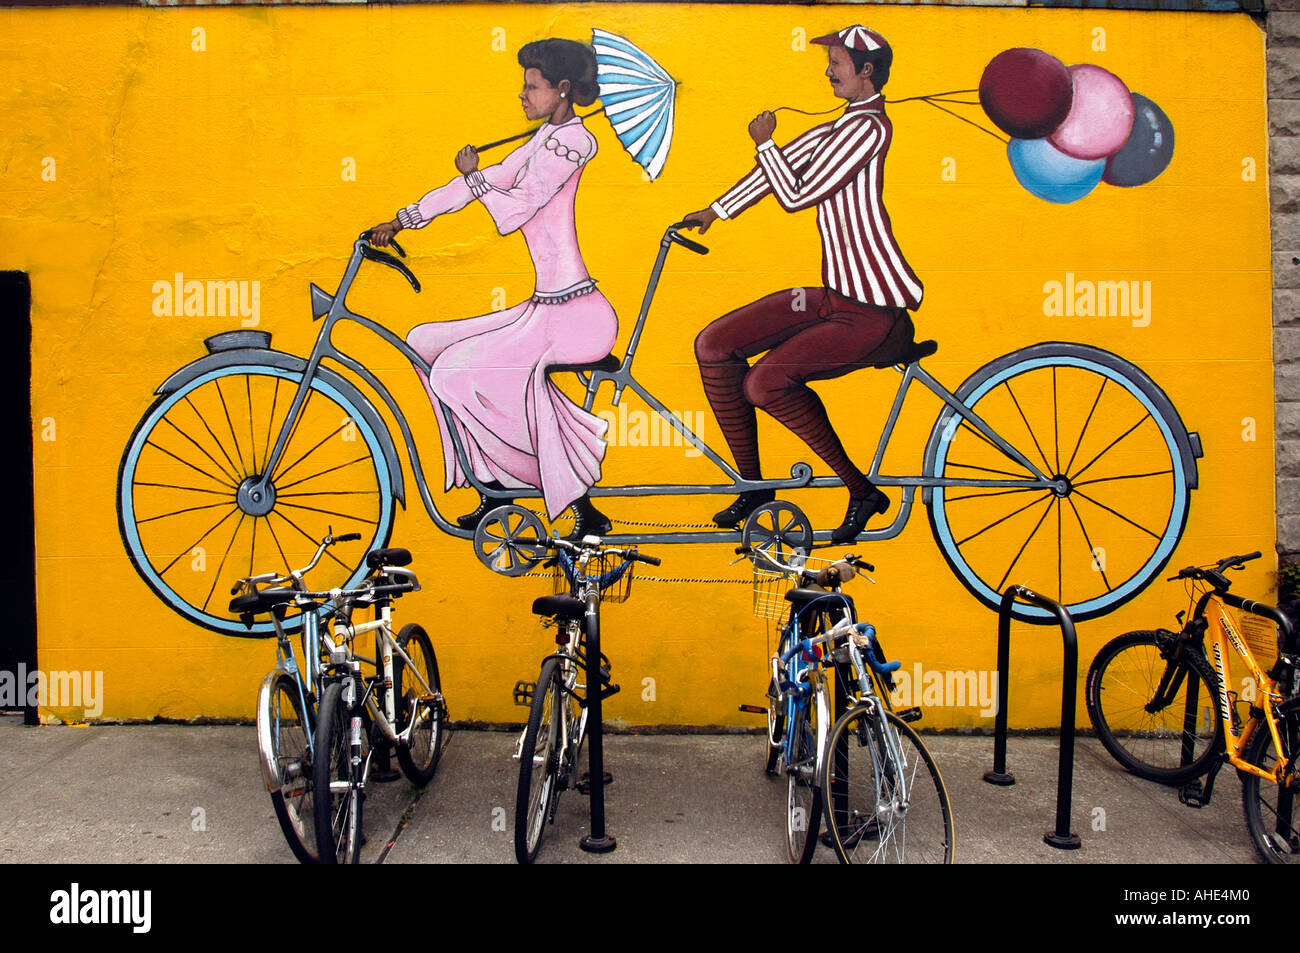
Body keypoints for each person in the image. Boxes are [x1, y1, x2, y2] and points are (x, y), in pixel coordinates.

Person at [682, 25, 924, 544]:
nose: (827, 70)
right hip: (832, 299)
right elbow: (780, 169)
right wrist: (715, 212)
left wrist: (764, 142)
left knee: (764, 383)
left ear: (866, 70)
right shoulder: (839, 126)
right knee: (714, 344)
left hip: (872, 312)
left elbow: (798, 193)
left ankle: (861, 491)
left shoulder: (869, 130)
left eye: (836, 63)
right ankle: (755, 487)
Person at [369, 38, 616, 539]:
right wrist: (402, 220)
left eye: (532, 86)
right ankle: (489, 485)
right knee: (423, 344)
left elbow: (514, 209)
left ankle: (563, 491)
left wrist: (476, 178)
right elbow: (475, 187)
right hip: (545, 308)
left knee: (456, 374)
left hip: (577, 314)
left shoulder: (573, 143)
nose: (522, 95)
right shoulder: (542, 139)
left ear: (562, 89)